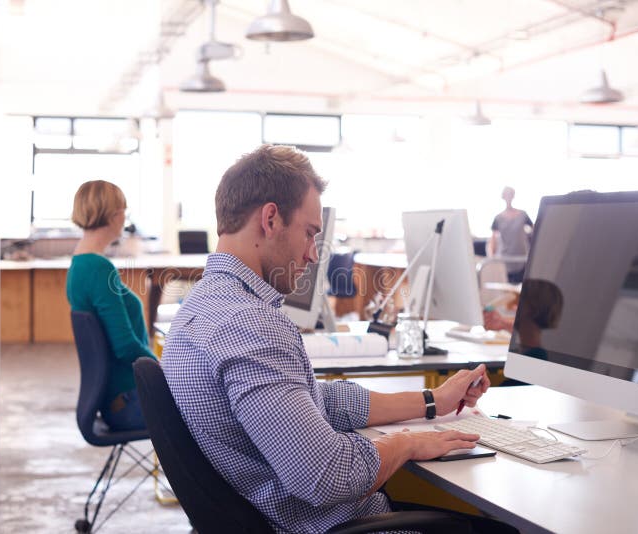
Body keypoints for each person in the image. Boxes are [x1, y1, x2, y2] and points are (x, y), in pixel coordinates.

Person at [162, 145, 513, 533]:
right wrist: (408, 443)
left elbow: (312, 400)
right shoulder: (248, 325)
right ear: (271, 219)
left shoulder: (200, 307)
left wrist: (432, 401)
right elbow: (327, 475)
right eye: (310, 233)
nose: (313, 254)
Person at [66, 180, 156, 431]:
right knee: (209, 409)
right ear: (114, 215)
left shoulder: (79, 265)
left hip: (116, 400)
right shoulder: (97, 268)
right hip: (127, 403)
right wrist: (161, 370)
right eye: (124, 212)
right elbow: (125, 345)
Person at [488, 186, 533, 283]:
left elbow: (535, 230)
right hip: (505, 260)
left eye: (510, 194)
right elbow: (493, 239)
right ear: (503, 197)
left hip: (522, 259)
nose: (508, 197)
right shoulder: (498, 218)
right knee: (509, 291)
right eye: (506, 195)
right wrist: (492, 257)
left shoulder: (523, 215)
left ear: (513, 196)